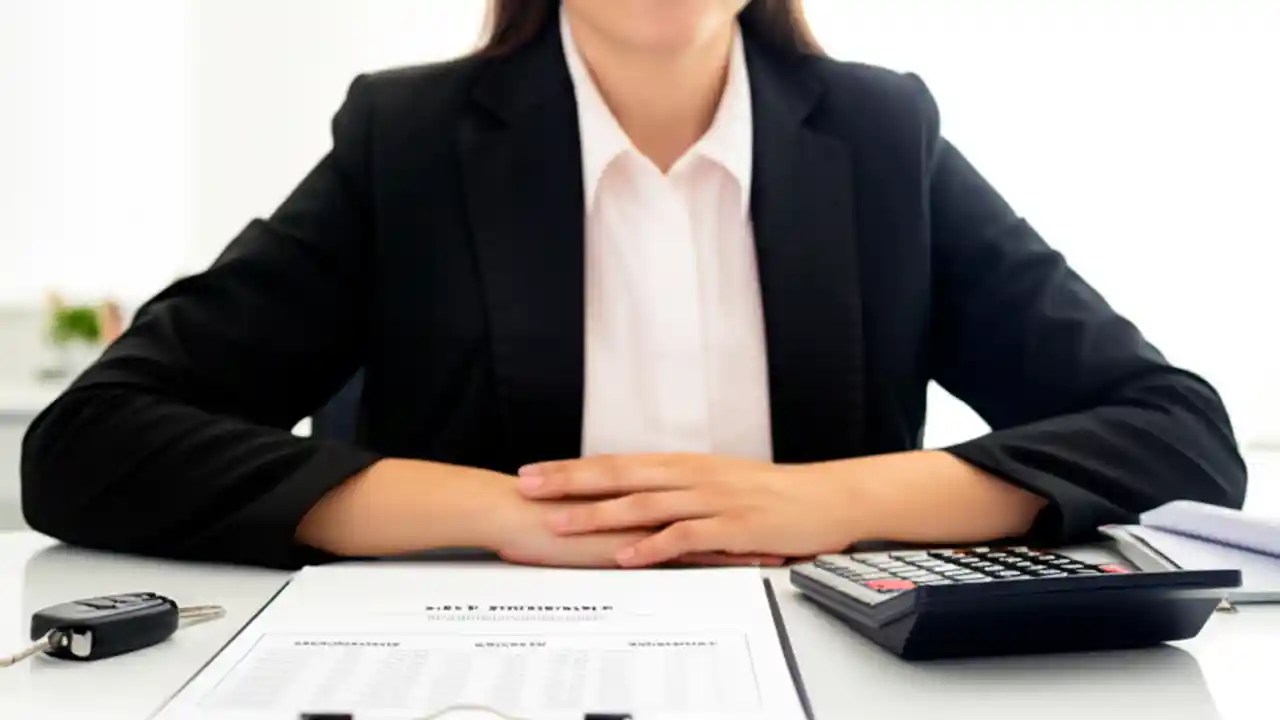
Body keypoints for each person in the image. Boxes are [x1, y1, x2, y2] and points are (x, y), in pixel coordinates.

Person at [21, 0, 1245, 570]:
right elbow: (90, 446)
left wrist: (816, 504)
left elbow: (1174, 437)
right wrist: (503, 516)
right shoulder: (409, 140)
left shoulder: (880, 135)